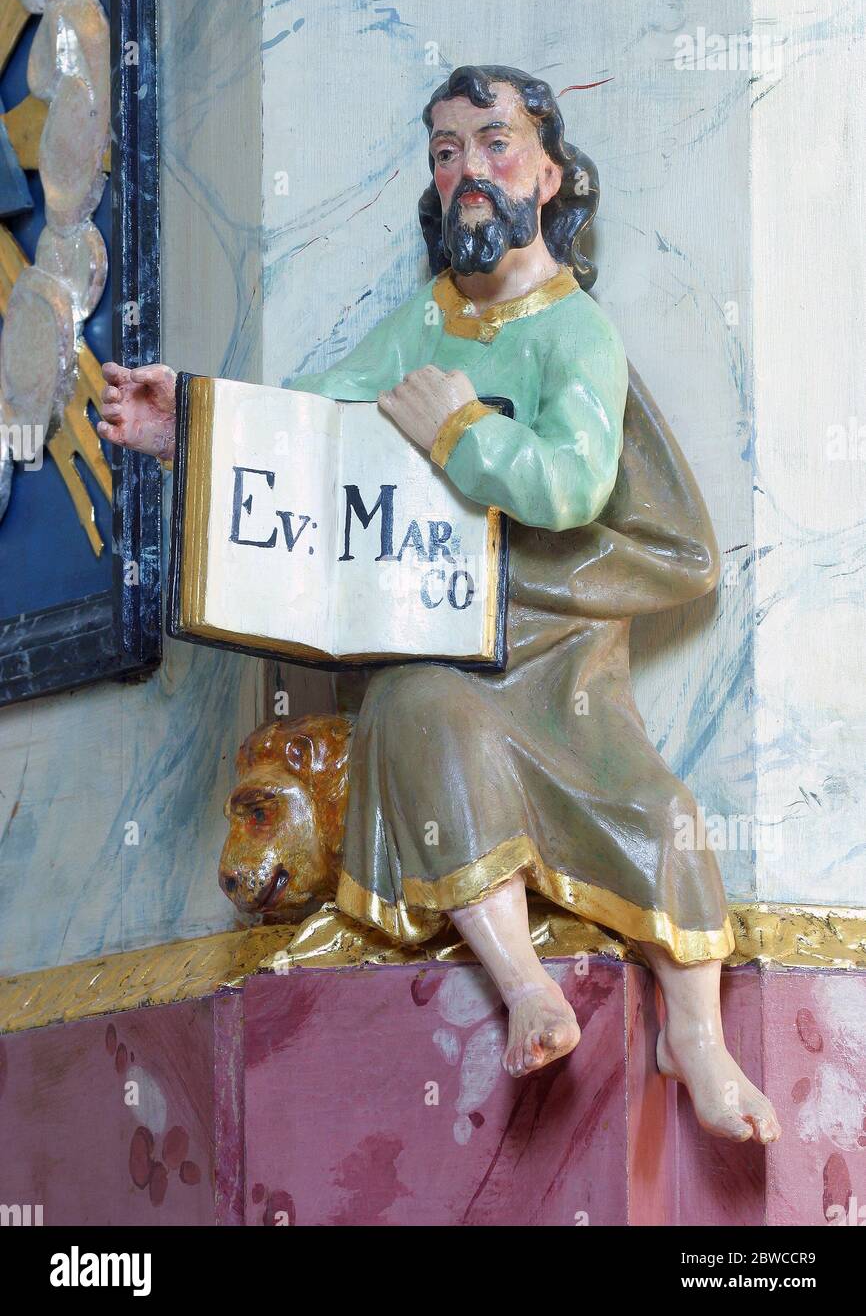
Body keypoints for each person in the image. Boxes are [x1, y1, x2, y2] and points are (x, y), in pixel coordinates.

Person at [100, 65, 780, 1143]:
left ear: (548, 175)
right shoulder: (426, 319)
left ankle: (693, 1035)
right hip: (444, 652)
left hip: (555, 660)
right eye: (445, 153)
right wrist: (186, 419)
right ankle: (522, 985)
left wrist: (457, 431)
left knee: (661, 813)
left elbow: (570, 485)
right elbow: (315, 417)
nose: (468, 172)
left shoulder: (573, 334)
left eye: (493, 144)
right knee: (417, 712)